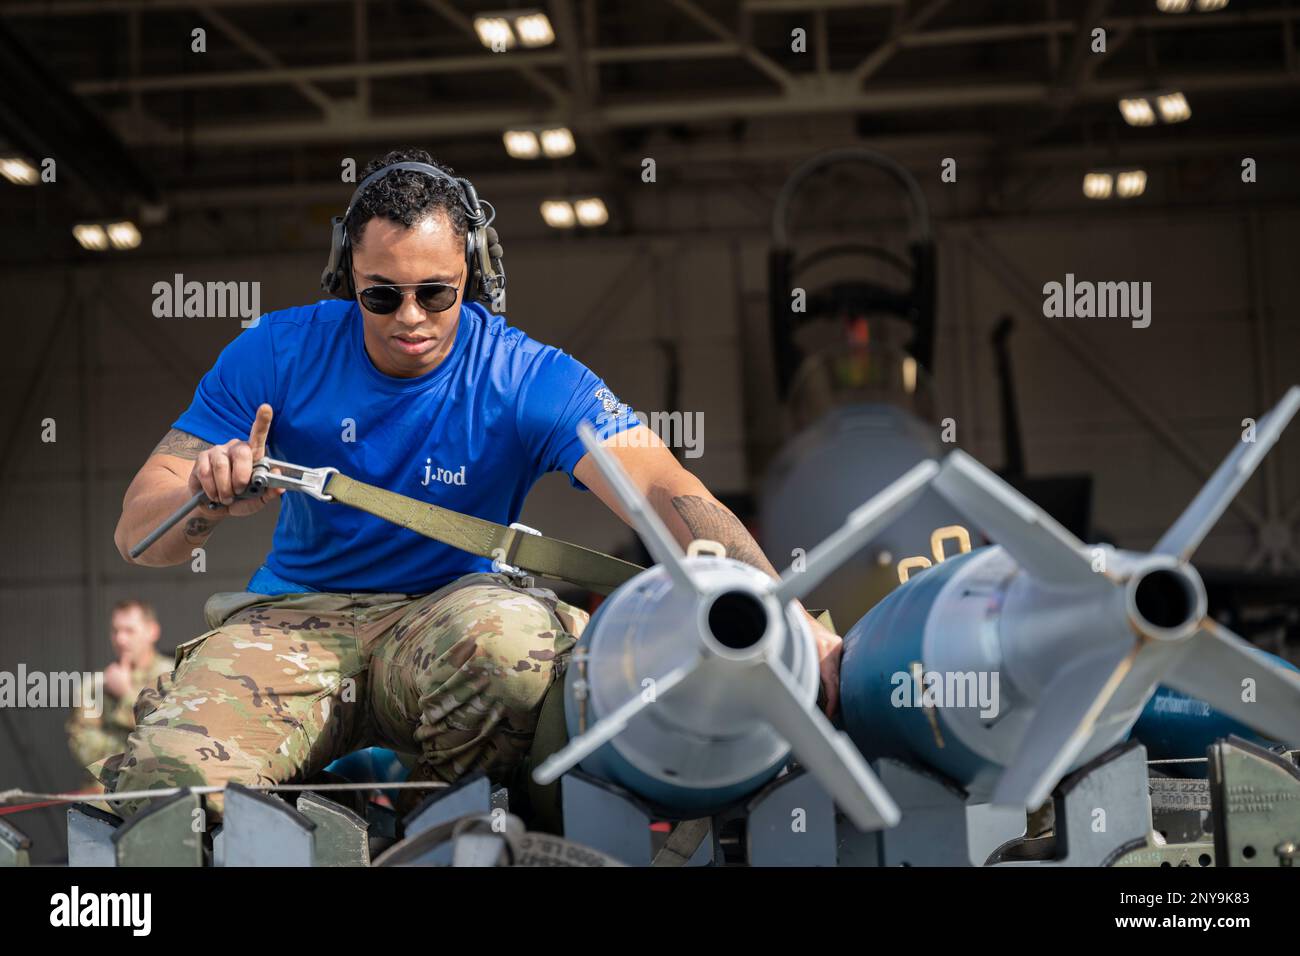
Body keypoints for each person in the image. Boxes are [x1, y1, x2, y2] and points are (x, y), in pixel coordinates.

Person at [98, 147, 842, 820]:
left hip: (453, 627)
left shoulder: (525, 377)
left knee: (513, 646)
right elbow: (139, 535)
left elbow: (663, 490)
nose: (410, 319)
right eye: (381, 296)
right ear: (346, 277)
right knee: (169, 788)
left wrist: (787, 619)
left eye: (437, 294)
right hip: (295, 621)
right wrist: (205, 495)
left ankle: (451, 828)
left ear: (473, 277)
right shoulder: (274, 353)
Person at [67, 599, 172, 789]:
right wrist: (140, 749)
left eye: (129, 631)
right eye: (115, 631)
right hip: (106, 794)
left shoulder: (173, 676)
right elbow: (86, 750)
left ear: (152, 631)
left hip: (158, 791)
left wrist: (127, 695)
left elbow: (170, 735)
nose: (120, 639)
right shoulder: (93, 687)